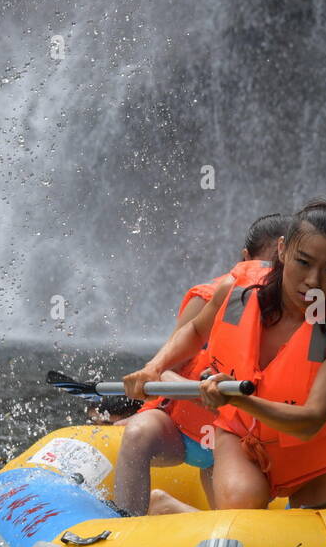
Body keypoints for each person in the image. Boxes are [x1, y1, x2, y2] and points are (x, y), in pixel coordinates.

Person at [118, 201, 326, 513]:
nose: (314, 281)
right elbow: (196, 330)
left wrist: (235, 399)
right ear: (282, 250)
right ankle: (179, 510)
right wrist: (154, 367)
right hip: (241, 436)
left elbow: (310, 422)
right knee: (243, 508)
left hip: (310, 449)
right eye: (303, 262)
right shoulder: (238, 290)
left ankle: (169, 509)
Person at [108, 214, 289, 514]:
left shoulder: (294, 307)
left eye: (278, 265)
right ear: (245, 259)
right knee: (139, 433)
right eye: (266, 263)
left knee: (232, 527)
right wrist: (149, 403)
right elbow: (173, 361)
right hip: (184, 426)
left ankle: (164, 506)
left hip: (233, 436)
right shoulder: (213, 296)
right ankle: (124, 527)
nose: (268, 273)